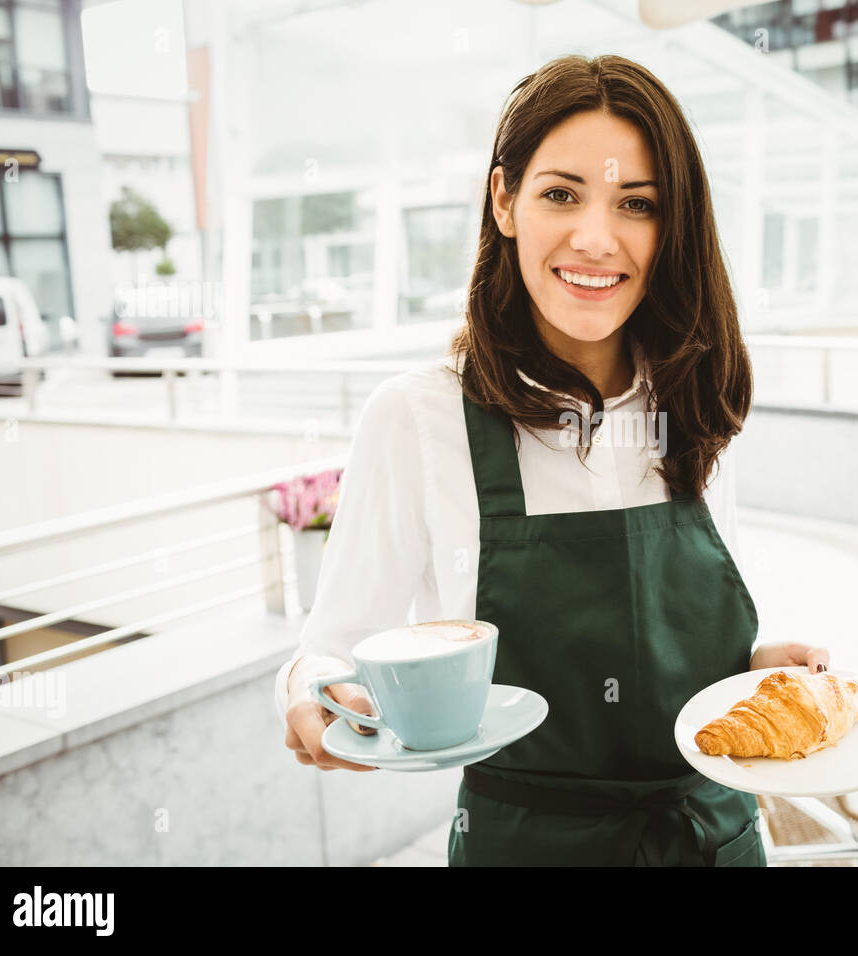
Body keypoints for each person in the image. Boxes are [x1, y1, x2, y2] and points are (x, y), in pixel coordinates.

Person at [277, 53, 830, 866]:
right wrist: (312, 698)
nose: (596, 239)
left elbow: (679, 641)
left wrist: (749, 669)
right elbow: (328, 652)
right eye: (561, 193)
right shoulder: (420, 418)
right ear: (503, 200)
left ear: (671, 226)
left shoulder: (693, 399)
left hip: (713, 836)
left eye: (636, 204)